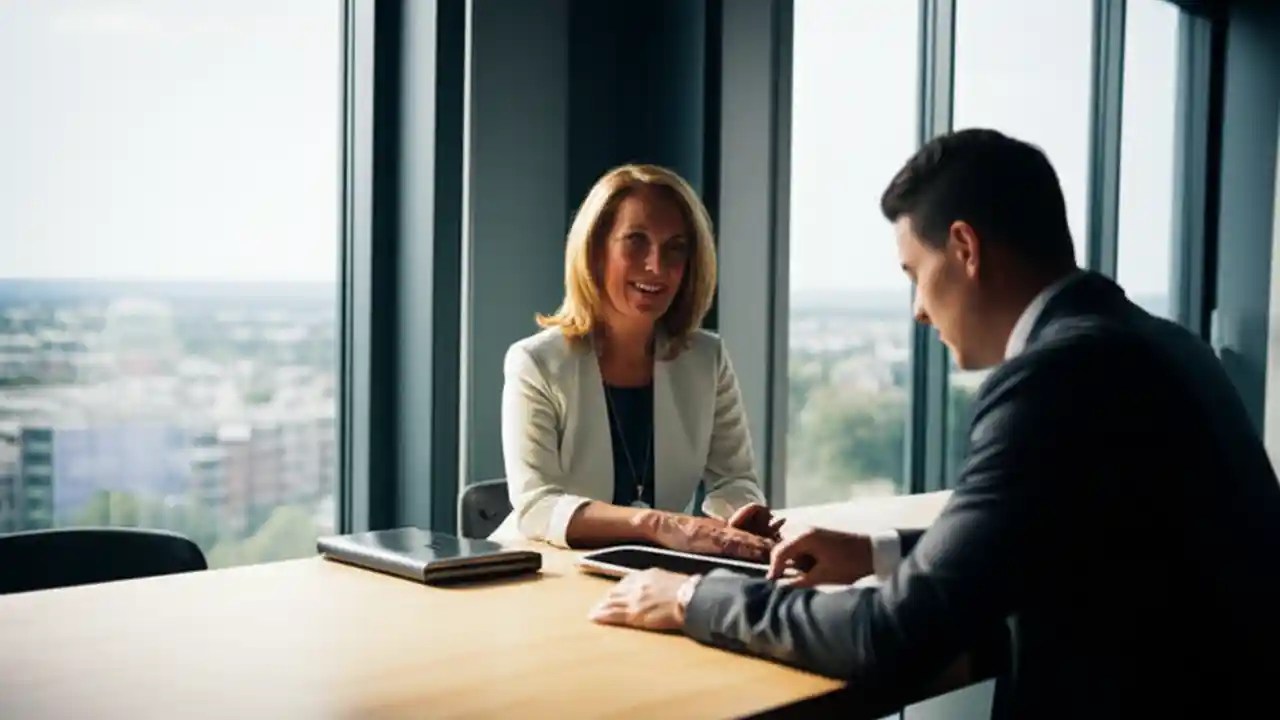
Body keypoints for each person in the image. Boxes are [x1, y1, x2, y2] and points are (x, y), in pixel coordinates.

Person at [587, 130, 1280, 716]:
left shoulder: (1054, 379)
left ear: (966, 249)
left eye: (915, 272)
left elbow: (892, 635)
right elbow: (1038, 531)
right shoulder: (1161, 344)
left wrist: (693, 598)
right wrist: (876, 553)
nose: (918, 310)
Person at [491, 163, 781, 561]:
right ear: (595, 251)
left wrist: (738, 517)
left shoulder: (706, 359)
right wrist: (661, 525)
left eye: (675, 247)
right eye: (636, 241)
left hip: (652, 574)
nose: (656, 266)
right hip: (545, 572)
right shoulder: (535, 363)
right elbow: (537, 507)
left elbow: (735, 479)